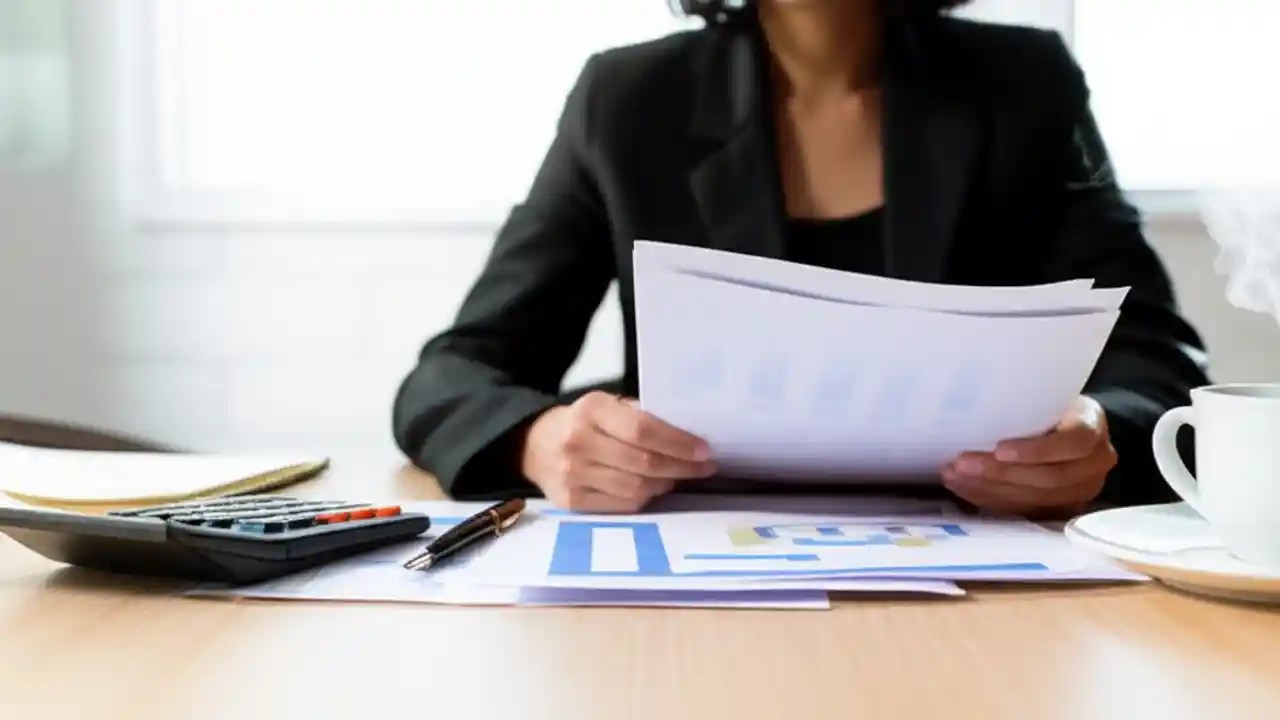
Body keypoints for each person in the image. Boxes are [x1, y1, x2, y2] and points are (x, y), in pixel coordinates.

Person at [393, 0, 1209, 516]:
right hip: (700, 565)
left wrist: (1096, 435)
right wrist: (540, 440)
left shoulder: (1025, 82)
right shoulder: (629, 99)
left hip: (981, 566)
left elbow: (1156, 362)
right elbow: (454, 373)